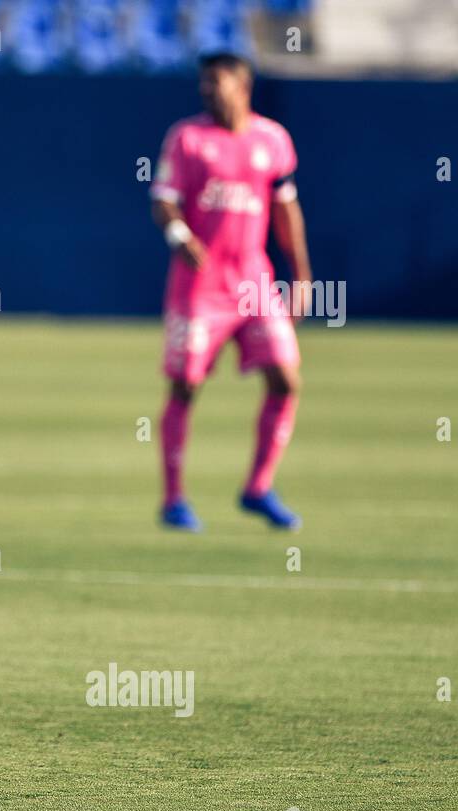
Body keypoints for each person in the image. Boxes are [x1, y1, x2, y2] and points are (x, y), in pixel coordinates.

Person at [150, 52, 313, 531]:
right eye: (203, 83)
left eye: (215, 83)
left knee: (286, 378)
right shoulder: (187, 139)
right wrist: (180, 237)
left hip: (253, 281)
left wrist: (302, 276)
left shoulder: (272, 140)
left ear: (242, 87)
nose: (206, 91)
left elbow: (286, 211)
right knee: (186, 385)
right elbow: (163, 201)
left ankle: (258, 487)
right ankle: (174, 499)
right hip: (200, 286)